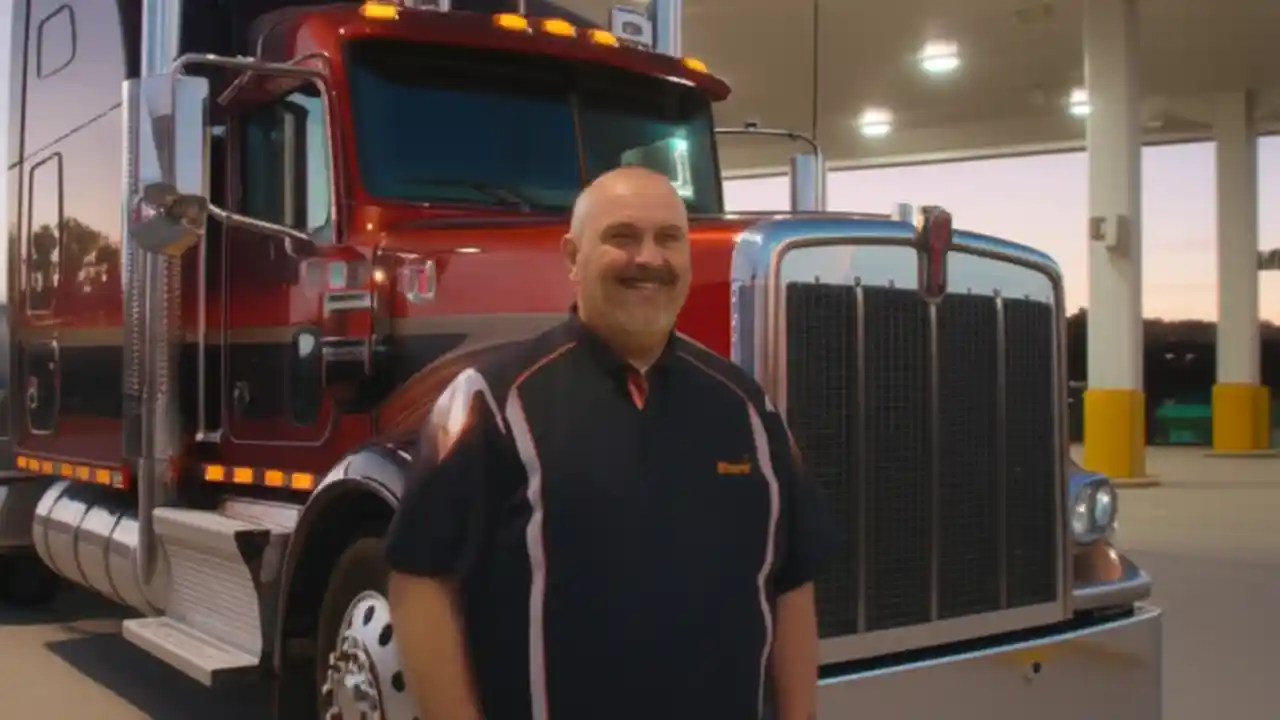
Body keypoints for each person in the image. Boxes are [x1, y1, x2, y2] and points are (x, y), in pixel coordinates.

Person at [385, 166, 834, 720]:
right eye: (622, 237)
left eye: (669, 238)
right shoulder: (492, 402)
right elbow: (420, 580)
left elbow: (792, 584)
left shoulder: (748, 409)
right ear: (573, 258)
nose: (648, 258)